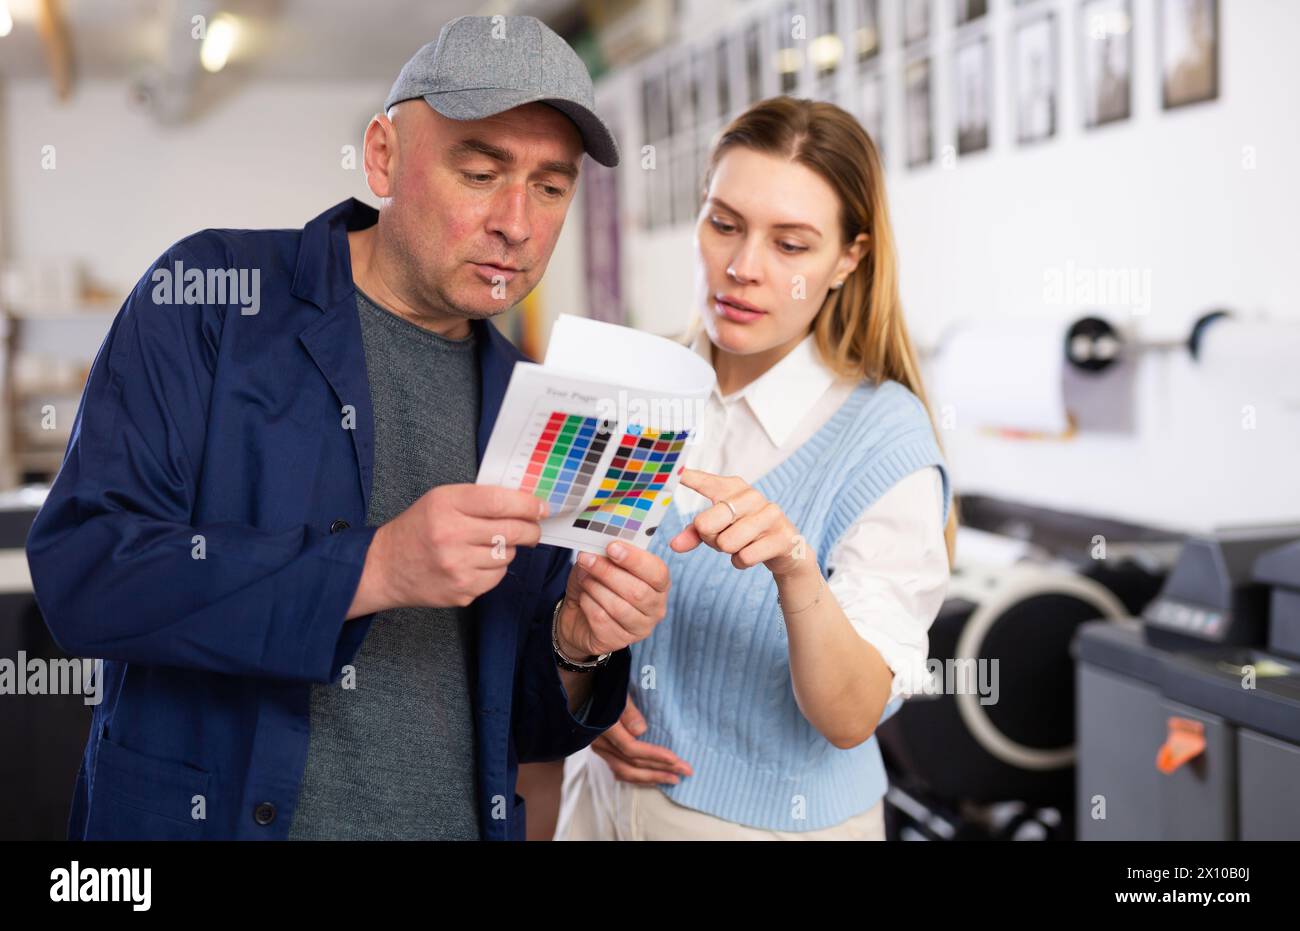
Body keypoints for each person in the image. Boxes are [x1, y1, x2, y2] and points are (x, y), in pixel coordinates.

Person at [25, 14, 669, 841]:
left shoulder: (532, 399)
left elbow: (523, 726)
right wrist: (371, 567)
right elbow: (86, 573)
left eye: (551, 187)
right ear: (383, 157)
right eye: (480, 171)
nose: (519, 221)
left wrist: (579, 643)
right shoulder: (212, 295)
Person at [554, 96, 956, 841]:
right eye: (725, 223)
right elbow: (560, 608)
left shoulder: (883, 439)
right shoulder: (634, 383)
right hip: (595, 804)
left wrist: (794, 566)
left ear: (849, 258)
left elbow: (849, 714)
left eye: (792, 245)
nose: (741, 268)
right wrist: (583, 698)